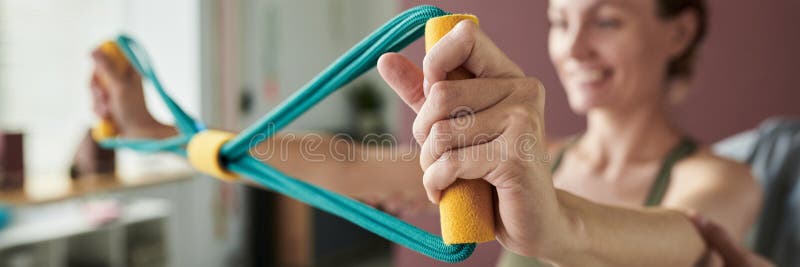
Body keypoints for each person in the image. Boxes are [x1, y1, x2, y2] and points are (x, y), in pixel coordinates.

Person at [88, 0, 766, 265]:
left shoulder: (717, 179)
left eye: (607, 20)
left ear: (679, 30)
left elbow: (694, 239)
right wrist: (169, 133)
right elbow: (344, 168)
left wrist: (556, 225)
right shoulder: (528, 163)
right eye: (561, 21)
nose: (574, 47)